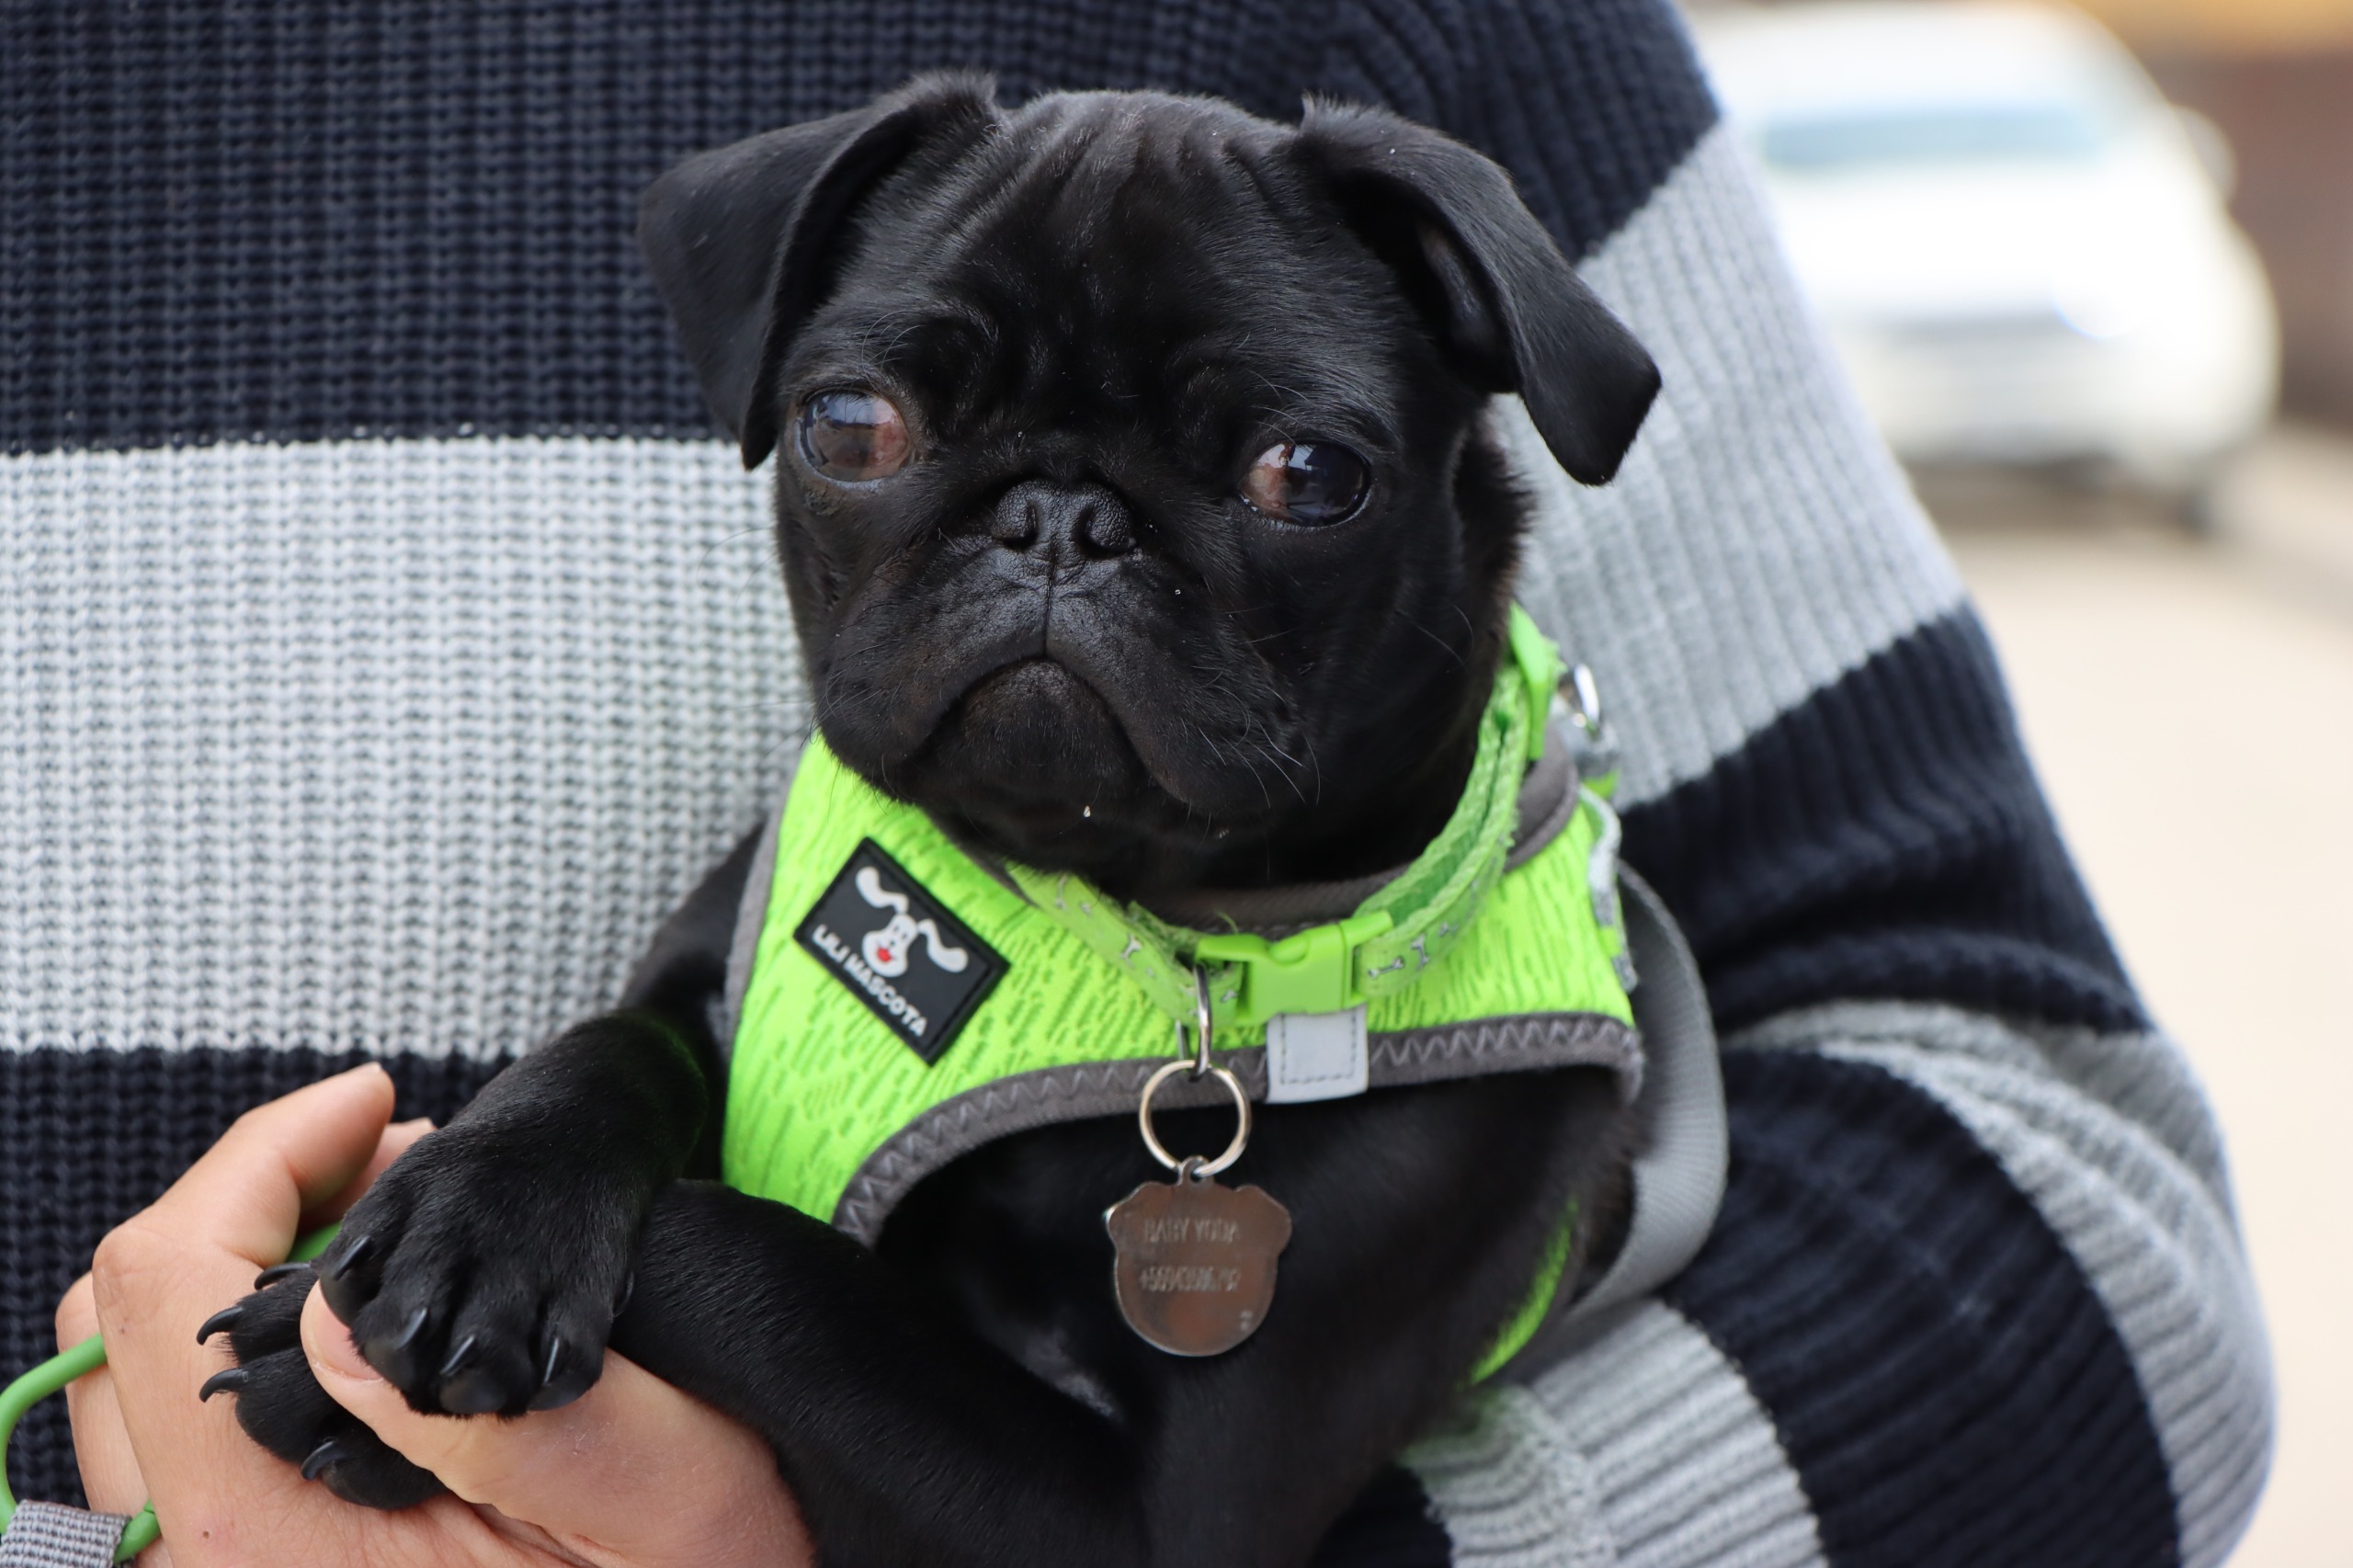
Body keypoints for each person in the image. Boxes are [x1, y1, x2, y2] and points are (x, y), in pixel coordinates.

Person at [4, 0, 2268, 1563]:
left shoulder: (1470, 1044)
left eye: (1286, 475)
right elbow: (679, 1043)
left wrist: (653, 1284)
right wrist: (503, 1207)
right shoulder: (866, 860)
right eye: (874, 434)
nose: (1050, 555)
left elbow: (2101, 1230)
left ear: (1470, 432)